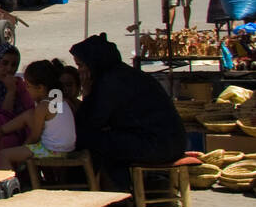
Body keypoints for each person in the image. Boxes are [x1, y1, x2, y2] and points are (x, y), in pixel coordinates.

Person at [70, 32, 185, 192]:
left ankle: (99, 192)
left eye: (81, 66)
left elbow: (92, 121)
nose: (80, 72)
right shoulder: (121, 75)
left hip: (158, 145)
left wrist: (87, 92)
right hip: (169, 142)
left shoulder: (111, 82)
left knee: (88, 140)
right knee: (101, 140)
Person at [0, 59, 77, 170]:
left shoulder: (43, 106)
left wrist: (23, 148)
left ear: (40, 88)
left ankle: (10, 185)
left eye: (28, 86)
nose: (26, 90)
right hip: (67, 148)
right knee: (29, 114)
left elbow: (35, 137)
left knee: (3, 155)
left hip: (52, 151)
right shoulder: (61, 100)